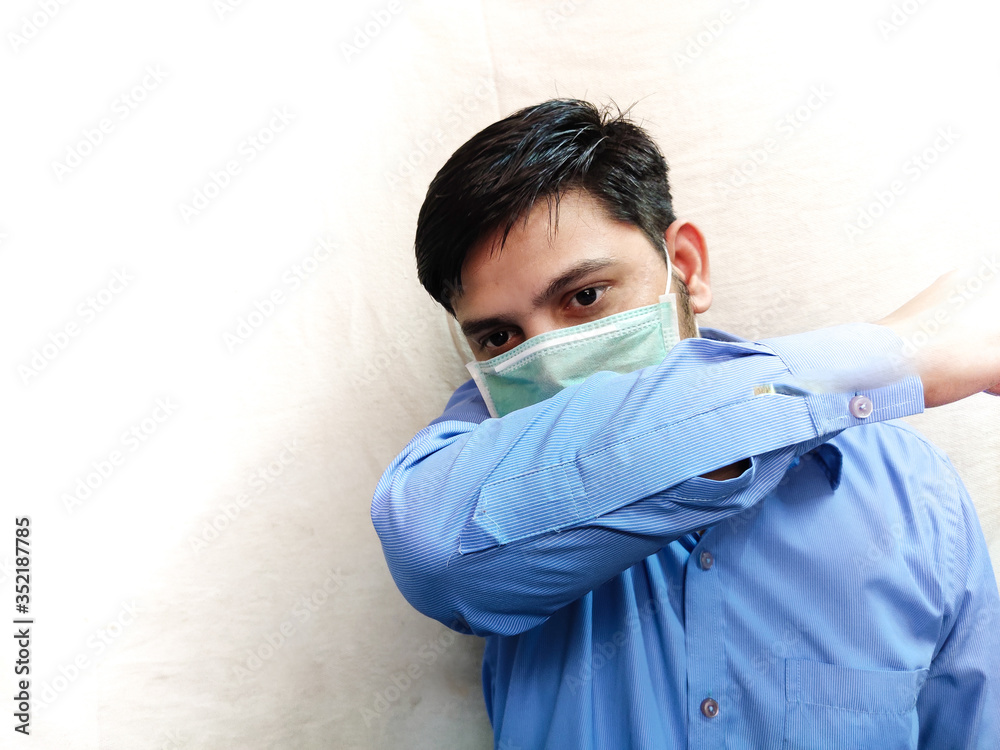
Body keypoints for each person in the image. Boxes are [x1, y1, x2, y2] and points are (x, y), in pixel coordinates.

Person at [371, 99, 1000, 749]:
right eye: (501, 337)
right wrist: (875, 361)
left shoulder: (913, 494)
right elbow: (435, 552)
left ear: (687, 269)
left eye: (585, 296)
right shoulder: (477, 459)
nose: (552, 366)